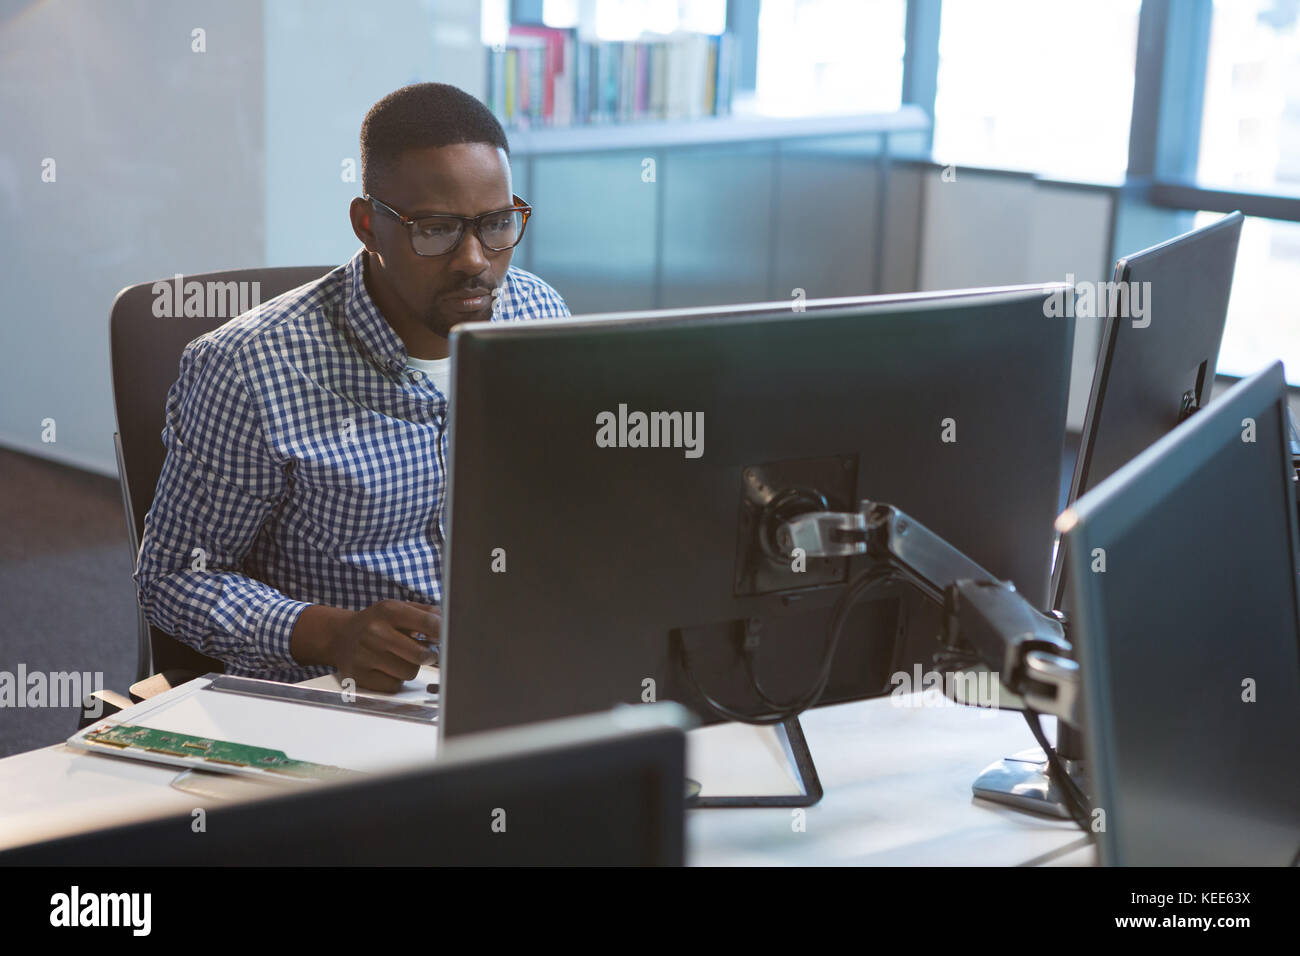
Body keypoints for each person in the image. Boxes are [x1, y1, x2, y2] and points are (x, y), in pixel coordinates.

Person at [134, 83, 569, 691]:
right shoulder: (249, 367)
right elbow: (173, 577)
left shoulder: (537, 312)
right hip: (342, 699)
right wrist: (332, 634)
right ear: (368, 225)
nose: (475, 259)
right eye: (437, 230)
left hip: (520, 668)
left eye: (496, 224)